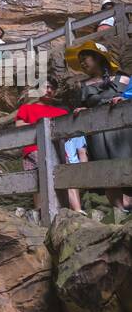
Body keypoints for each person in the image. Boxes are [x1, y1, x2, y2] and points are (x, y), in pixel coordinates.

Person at [65, 39, 132, 214]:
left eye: (85, 57)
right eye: (80, 59)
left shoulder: (124, 79)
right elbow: (81, 109)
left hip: (123, 133)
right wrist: (83, 110)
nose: (81, 62)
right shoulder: (83, 87)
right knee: (107, 174)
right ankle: (120, 213)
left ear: (99, 57)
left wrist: (125, 100)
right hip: (97, 136)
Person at [15, 80, 73, 213]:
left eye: (51, 88)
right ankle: (40, 211)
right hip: (33, 149)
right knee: (37, 179)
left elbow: (68, 133)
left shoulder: (61, 112)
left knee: (64, 178)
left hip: (58, 151)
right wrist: (40, 126)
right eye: (45, 87)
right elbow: (18, 127)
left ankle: (64, 211)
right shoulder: (26, 109)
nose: (48, 90)